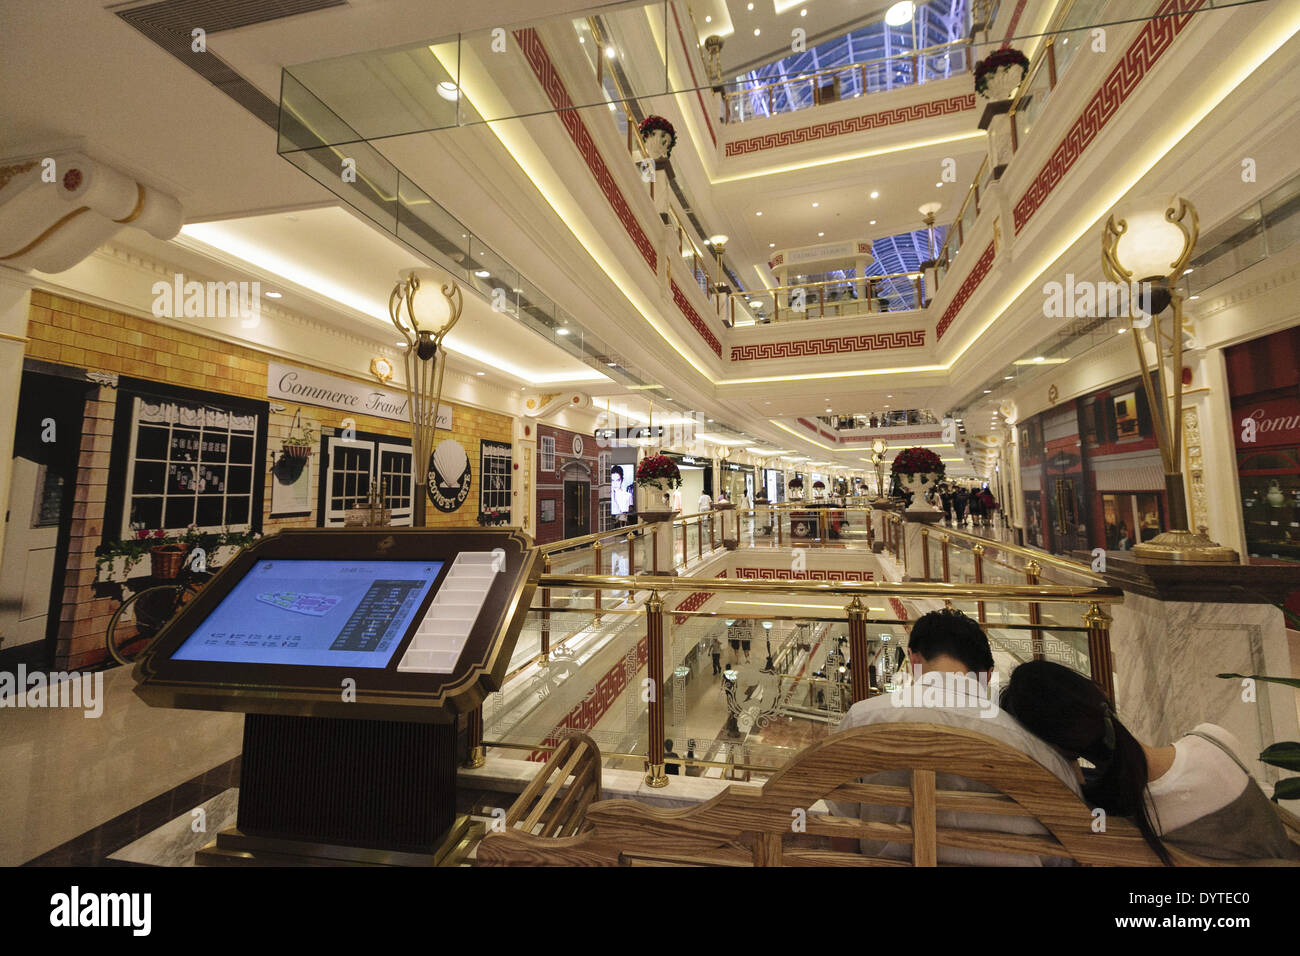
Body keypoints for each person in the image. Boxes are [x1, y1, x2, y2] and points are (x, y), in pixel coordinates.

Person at [827, 609, 1082, 865]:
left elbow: (842, 827)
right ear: (988, 674)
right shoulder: (1031, 744)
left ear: (914, 660)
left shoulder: (863, 718)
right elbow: (1069, 845)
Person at [1000, 661, 1300, 863]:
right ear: (1100, 691)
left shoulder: (1116, 821)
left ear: (1057, 749)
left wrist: (1067, 763)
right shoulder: (1213, 738)